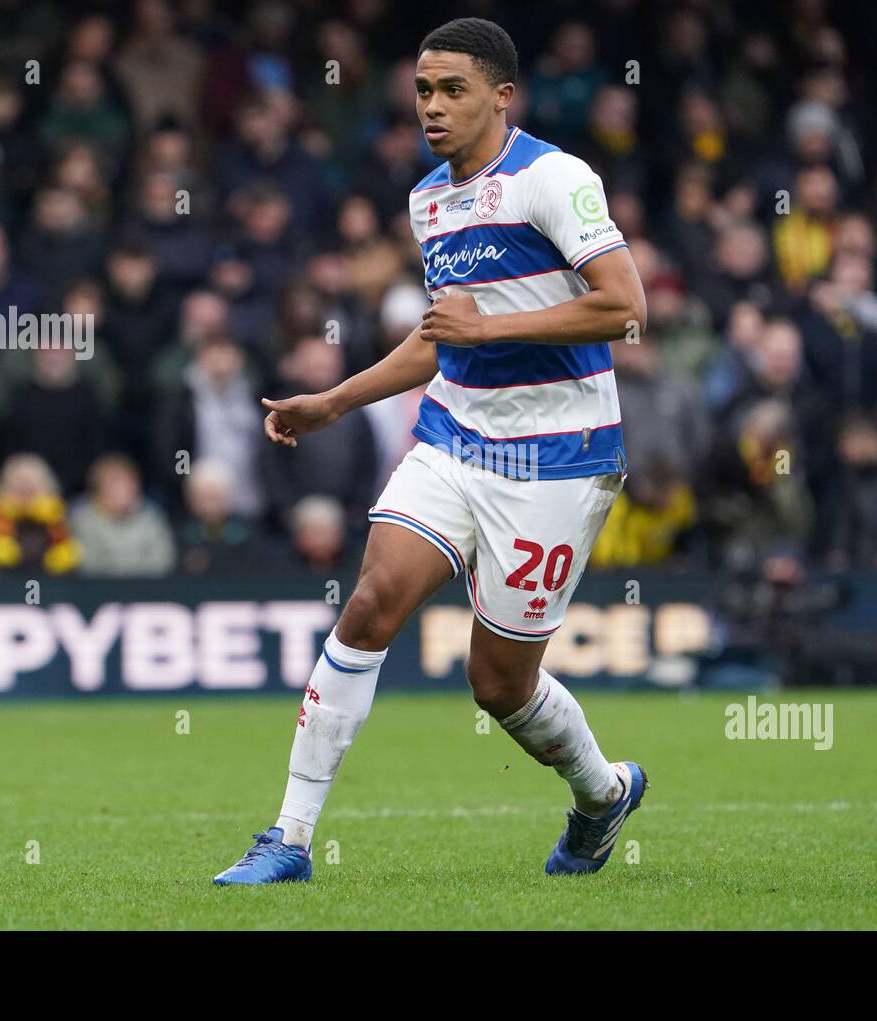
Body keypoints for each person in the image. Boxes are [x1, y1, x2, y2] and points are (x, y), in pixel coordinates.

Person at [213, 17, 649, 886]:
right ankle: (289, 838)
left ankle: (601, 795)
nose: (433, 107)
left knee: (499, 685)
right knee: (370, 602)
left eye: (452, 89)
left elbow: (625, 305)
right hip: (455, 436)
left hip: (559, 455)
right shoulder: (427, 201)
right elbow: (444, 337)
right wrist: (334, 400)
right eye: (422, 90)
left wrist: (491, 325)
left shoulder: (555, 179)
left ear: (501, 95)